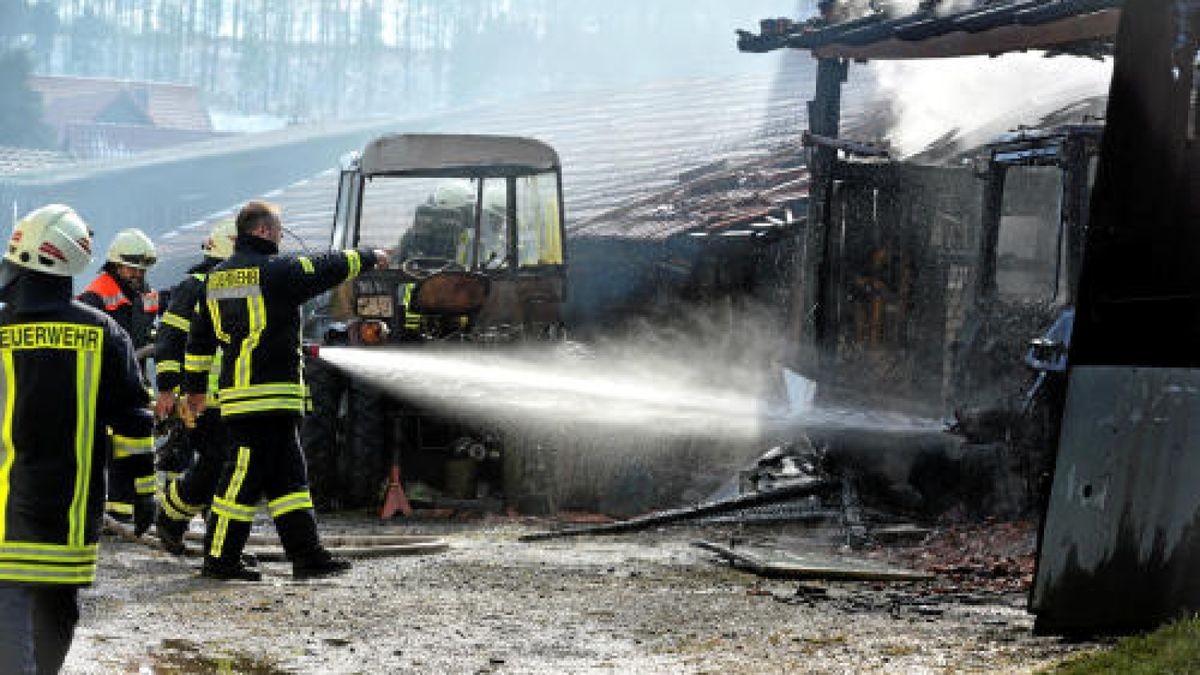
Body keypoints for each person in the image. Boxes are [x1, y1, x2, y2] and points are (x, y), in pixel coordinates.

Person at [183, 201, 387, 581]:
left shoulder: (215, 279)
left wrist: (194, 390)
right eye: (278, 230)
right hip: (267, 394)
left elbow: (198, 342)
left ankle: (307, 556)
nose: (280, 236)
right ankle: (219, 559)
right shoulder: (275, 271)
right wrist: (369, 256)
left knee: (290, 481)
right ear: (262, 231)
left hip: (245, 395)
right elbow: (326, 267)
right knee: (240, 479)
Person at [0, 205, 153, 673]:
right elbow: (132, 422)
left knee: (9, 612)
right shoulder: (103, 333)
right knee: (56, 613)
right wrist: (144, 494)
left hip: (4, 510)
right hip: (69, 511)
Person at [151, 218, 236, 555]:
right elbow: (169, 339)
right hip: (199, 397)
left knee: (226, 465)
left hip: (235, 393)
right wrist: (169, 388)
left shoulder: (239, 284)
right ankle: (173, 517)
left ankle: (215, 537)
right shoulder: (195, 286)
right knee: (218, 462)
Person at [78, 227, 159, 524]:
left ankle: (130, 507)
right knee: (113, 447)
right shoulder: (95, 296)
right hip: (104, 386)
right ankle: (115, 511)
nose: (138, 274)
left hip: (134, 381)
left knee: (136, 444)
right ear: (115, 263)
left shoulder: (146, 295)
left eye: (143, 268)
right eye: (132, 268)